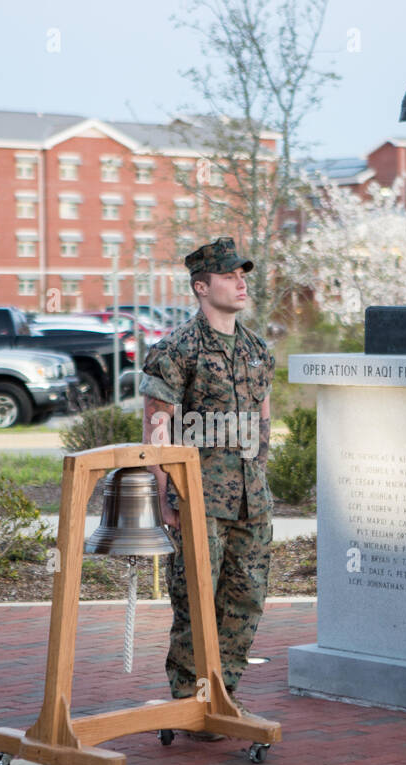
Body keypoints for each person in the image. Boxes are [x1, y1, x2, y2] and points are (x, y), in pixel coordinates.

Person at [139, 237, 275, 735]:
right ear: (201, 287)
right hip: (197, 498)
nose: (241, 283)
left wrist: (260, 473)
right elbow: (158, 427)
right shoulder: (177, 349)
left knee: (246, 597)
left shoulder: (258, 349)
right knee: (195, 599)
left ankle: (224, 695)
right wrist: (163, 495)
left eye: (243, 274)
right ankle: (188, 701)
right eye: (228, 275)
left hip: (250, 501)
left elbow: (263, 421)